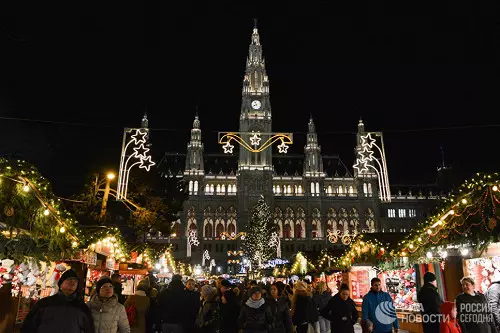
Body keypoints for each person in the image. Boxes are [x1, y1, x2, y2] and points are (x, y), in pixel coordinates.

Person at [21, 269, 95, 333]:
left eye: (75, 280)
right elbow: (29, 326)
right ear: (61, 284)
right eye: (69, 279)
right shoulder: (45, 303)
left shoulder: (82, 307)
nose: (72, 282)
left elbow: (89, 329)